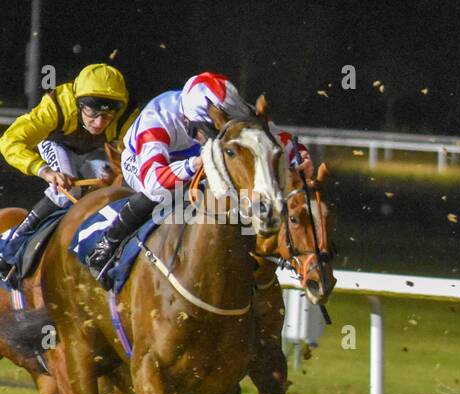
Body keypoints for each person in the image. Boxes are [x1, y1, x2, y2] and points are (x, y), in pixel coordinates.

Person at [86, 72, 312, 286]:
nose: (214, 131)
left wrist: (301, 156)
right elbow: (154, 183)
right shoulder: (157, 121)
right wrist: (194, 164)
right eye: (209, 128)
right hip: (143, 162)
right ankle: (108, 244)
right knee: (166, 194)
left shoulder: (235, 111)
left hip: (199, 156)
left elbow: (274, 138)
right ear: (190, 119)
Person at [0, 63, 139, 265]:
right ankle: (13, 244)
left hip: (94, 152)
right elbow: (9, 141)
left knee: (116, 192)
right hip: (57, 144)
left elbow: (134, 154)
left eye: (107, 115)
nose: (99, 123)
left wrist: (120, 173)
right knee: (67, 192)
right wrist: (45, 171)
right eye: (92, 113)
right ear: (79, 104)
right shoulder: (56, 105)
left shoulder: (127, 114)